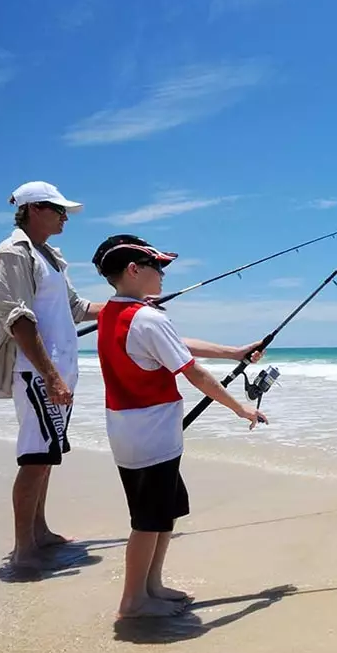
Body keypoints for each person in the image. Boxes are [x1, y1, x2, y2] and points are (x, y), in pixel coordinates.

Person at [91, 234, 267, 618]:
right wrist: (242, 409)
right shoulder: (149, 318)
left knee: (164, 513)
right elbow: (196, 374)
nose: (164, 273)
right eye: (158, 266)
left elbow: (176, 343)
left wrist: (234, 353)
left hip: (132, 431)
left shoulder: (114, 313)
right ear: (134, 270)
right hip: (151, 435)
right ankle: (133, 601)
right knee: (147, 520)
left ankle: (151, 586)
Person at [0, 181, 105, 570]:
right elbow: (17, 319)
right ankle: (23, 549)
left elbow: (77, 309)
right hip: (36, 373)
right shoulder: (13, 253)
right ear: (34, 209)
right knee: (35, 457)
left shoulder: (48, 255)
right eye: (58, 209)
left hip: (58, 371)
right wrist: (49, 375)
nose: (65, 216)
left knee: (47, 456)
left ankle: (40, 531)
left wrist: (128, 304)